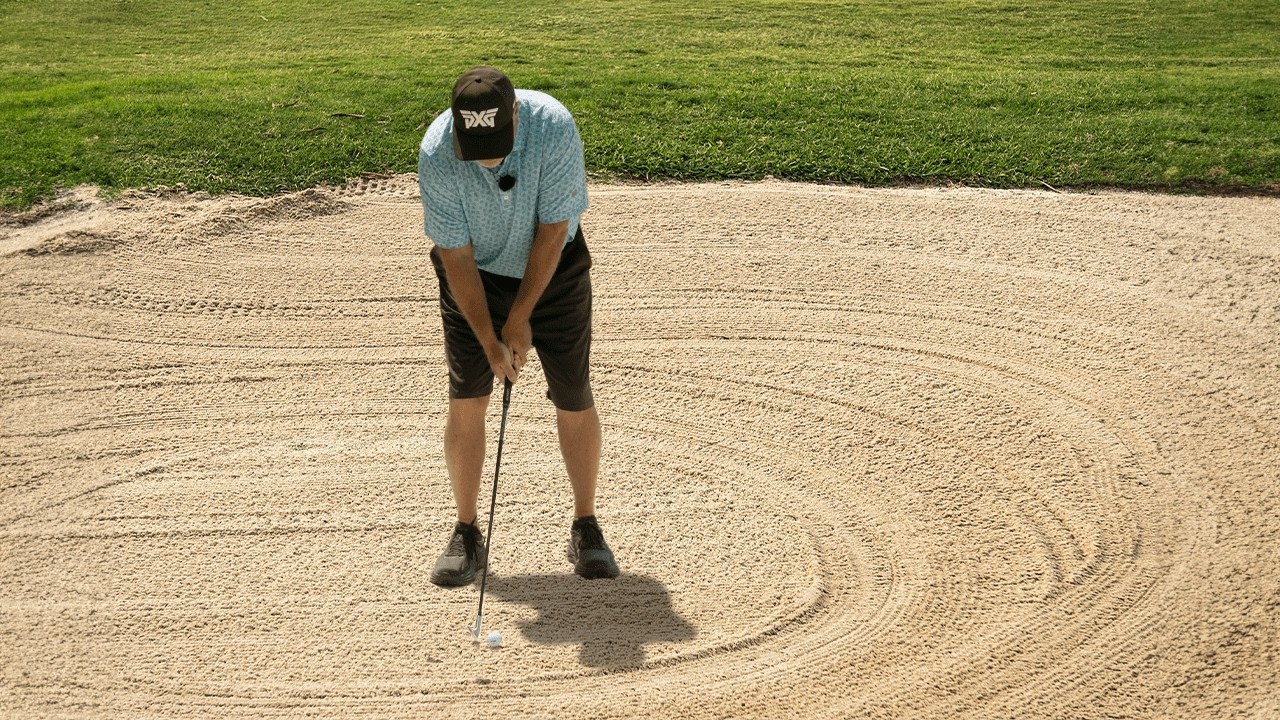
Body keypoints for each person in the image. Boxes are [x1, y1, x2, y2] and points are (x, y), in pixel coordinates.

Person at [418, 66, 619, 584]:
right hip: (476, 277)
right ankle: (466, 531)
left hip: (553, 271)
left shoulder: (552, 126)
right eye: (476, 144)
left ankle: (586, 525)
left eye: (497, 142)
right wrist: (490, 336)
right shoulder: (437, 151)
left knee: (573, 392)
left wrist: (521, 316)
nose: (488, 157)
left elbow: (555, 230)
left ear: (515, 114)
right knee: (466, 396)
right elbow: (454, 255)